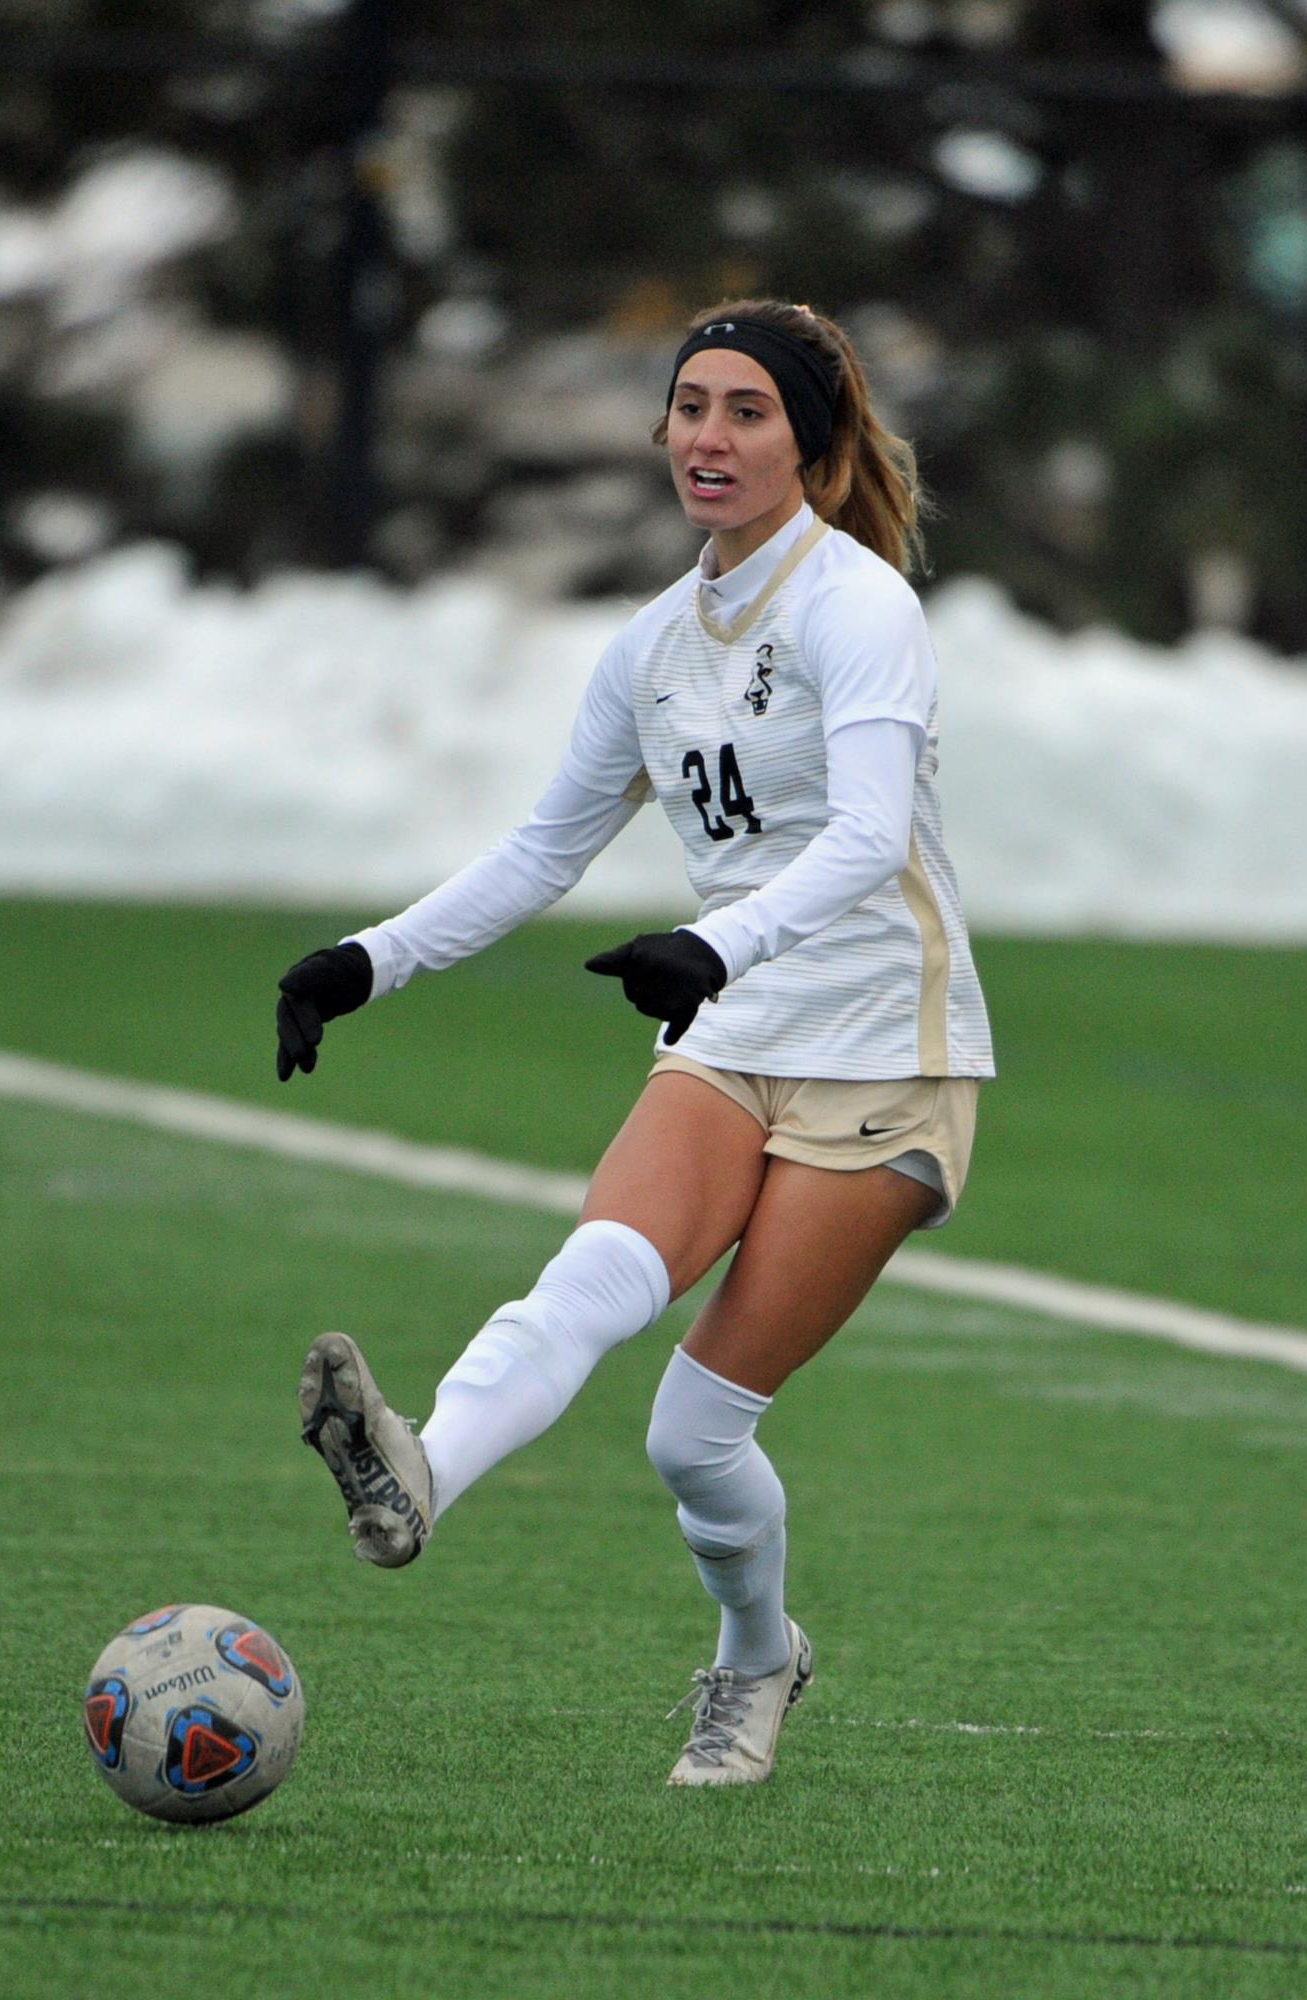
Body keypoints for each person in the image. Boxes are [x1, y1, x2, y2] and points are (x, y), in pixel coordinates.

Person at [274, 299, 994, 1788]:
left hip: (886, 1052)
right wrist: (366, 962)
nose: (709, 437)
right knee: (597, 1268)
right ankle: (420, 1470)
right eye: (689, 406)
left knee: (693, 1435)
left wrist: (713, 942)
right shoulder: (655, 645)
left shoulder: (860, 608)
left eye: (745, 411)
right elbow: (545, 850)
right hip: (732, 1024)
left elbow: (867, 839)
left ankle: (754, 1660)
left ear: (810, 440)